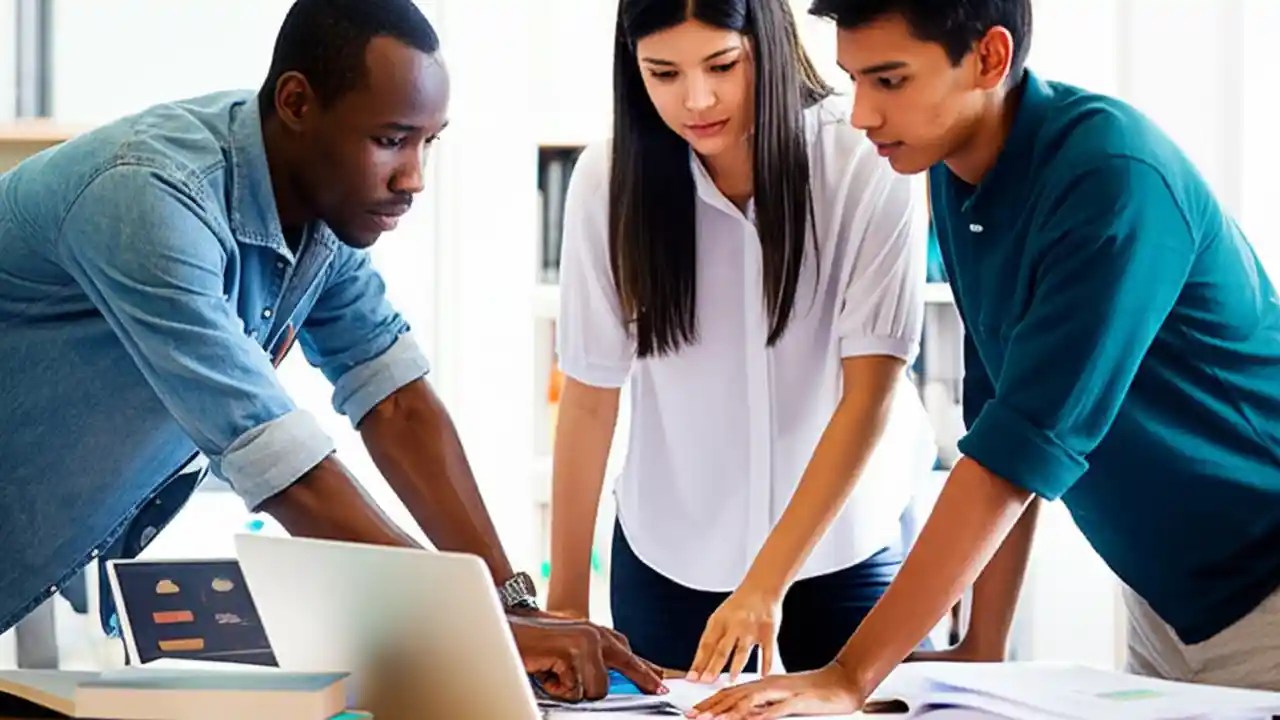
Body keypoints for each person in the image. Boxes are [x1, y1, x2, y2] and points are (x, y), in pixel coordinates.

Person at [0, 0, 664, 702]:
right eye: (390, 139)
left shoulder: (318, 208)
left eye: (428, 142)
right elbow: (277, 459)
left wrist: (513, 604)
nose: (414, 177)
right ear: (296, 103)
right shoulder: (149, 200)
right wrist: (477, 625)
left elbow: (398, 403)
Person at [691, 0, 1280, 716]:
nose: (862, 116)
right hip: (1165, 600)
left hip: (1264, 582)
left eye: (891, 81)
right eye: (855, 82)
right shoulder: (954, 167)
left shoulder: (1111, 176)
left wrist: (849, 676)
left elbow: (1020, 453)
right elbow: (996, 420)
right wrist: (982, 645)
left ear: (990, 59)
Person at [546, 0, 937, 683]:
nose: (696, 100)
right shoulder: (607, 182)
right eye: (662, 73)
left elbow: (869, 393)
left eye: (723, 65)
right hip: (671, 557)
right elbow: (588, 397)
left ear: (770, 42)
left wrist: (764, 584)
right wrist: (565, 607)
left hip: (844, 552)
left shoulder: (862, 162)